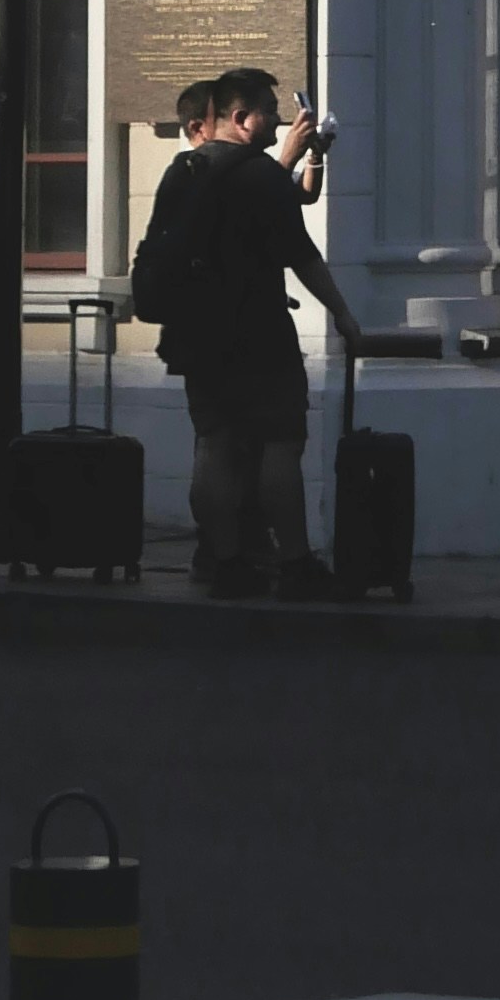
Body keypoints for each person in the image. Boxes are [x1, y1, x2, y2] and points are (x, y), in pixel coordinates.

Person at [131, 65, 360, 599]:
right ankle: (297, 563)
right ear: (240, 117)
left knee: (214, 444)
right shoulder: (259, 177)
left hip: (196, 336)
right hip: (258, 336)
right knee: (282, 443)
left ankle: (224, 560)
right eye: (271, 112)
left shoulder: (181, 173)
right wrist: (343, 314)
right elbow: (302, 255)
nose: (280, 122)